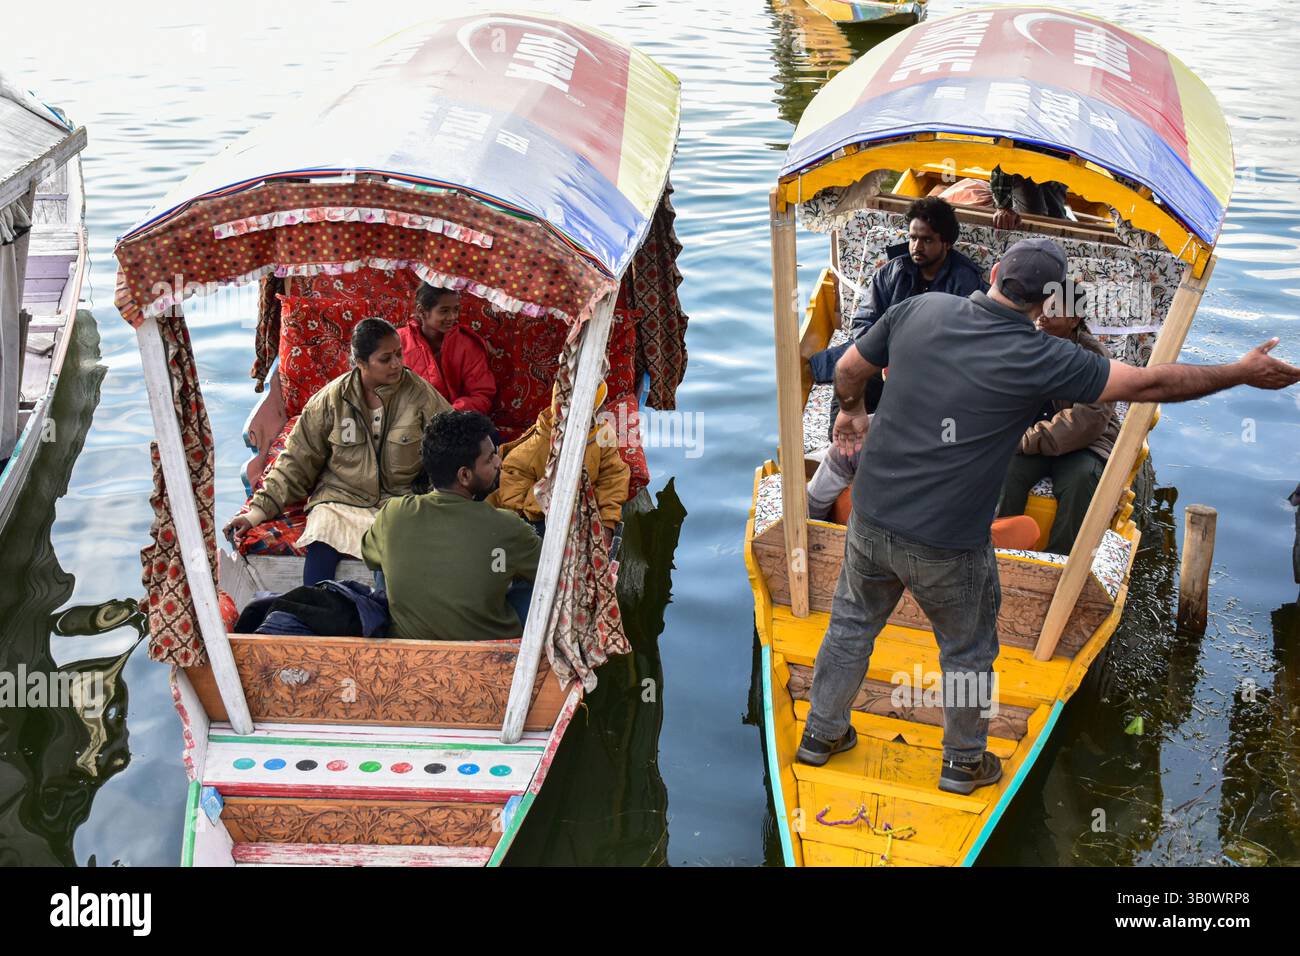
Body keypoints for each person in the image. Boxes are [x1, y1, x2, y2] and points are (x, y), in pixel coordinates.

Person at [798, 237, 1300, 797]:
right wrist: (1238, 370)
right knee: (966, 652)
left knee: (850, 625)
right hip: (949, 542)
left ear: (992, 273)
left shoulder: (921, 309)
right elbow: (1152, 383)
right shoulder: (1044, 357)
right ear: (1046, 302)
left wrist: (852, 414)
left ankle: (821, 736)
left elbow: (847, 367)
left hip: (871, 514)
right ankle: (962, 764)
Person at [223, 318, 450, 586]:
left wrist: (443, 502)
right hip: (341, 499)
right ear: (361, 363)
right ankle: (316, 611)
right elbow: (295, 460)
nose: (397, 364)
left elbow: (450, 446)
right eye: (385, 358)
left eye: (399, 354)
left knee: (399, 549)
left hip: (399, 501)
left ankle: (391, 620)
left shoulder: (420, 394)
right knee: (322, 533)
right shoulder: (330, 400)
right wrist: (255, 513)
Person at [805, 197, 986, 518]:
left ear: (945, 242)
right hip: (884, 360)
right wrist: (881, 355)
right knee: (852, 374)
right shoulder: (892, 272)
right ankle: (841, 450)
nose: (917, 246)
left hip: (934, 374)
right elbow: (863, 324)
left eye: (927, 240)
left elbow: (965, 340)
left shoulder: (965, 281)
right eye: (913, 237)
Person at [361, 410, 542, 641]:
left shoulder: (393, 514)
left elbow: (370, 556)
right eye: (489, 459)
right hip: (488, 654)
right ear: (464, 476)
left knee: (384, 555)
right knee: (537, 584)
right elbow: (551, 575)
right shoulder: (507, 527)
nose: (499, 462)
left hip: (410, 652)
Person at [997, 286, 1120, 553]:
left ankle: (1060, 565)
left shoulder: (1096, 359)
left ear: (1075, 320)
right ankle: (1000, 555)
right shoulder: (1021, 343)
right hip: (1031, 442)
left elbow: (1088, 421)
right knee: (1004, 472)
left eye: (1054, 310)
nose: (1043, 315)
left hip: (1083, 445)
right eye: (1042, 306)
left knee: (1081, 480)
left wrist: (1024, 439)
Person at [490, 380, 629, 533]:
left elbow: (613, 477)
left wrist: (607, 522)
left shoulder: (604, 434)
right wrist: (525, 513)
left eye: (601, 404)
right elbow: (514, 473)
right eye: (597, 407)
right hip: (540, 515)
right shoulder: (543, 440)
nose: (603, 410)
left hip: (581, 511)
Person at [398, 282, 497, 415]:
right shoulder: (398, 341)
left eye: (455, 309)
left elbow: (482, 395)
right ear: (422, 311)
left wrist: (449, 413)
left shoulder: (467, 346)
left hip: (456, 422)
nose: (452, 317)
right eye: (444, 311)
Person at [990, 165, 1070, 231]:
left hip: (1058, 168)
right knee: (1034, 222)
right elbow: (1004, 158)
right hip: (1023, 166)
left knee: (1057, 223)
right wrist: (1003, 205)